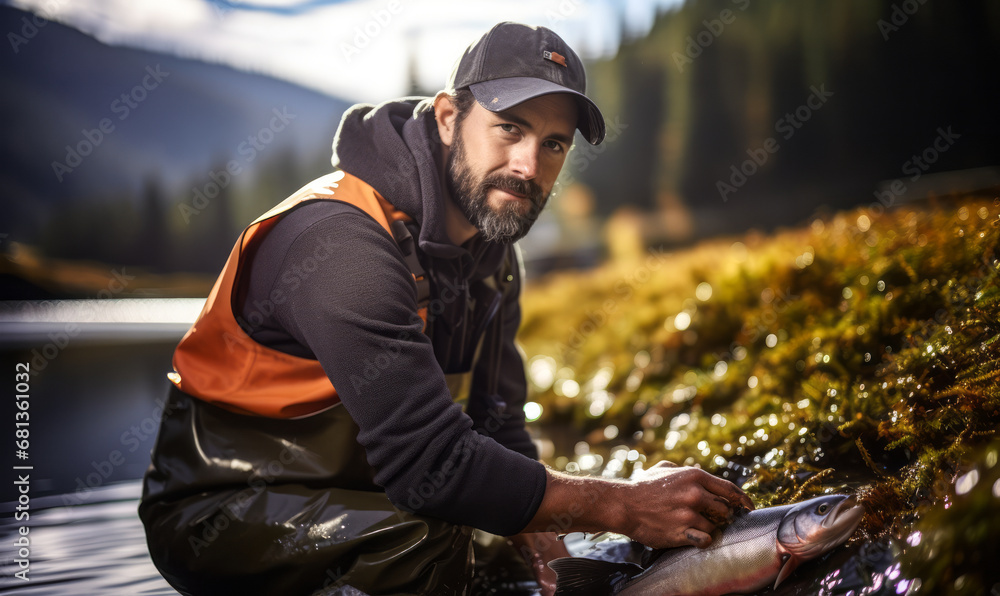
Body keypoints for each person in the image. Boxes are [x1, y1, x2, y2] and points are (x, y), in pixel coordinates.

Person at [139, 21, 753, 596]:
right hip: (219, 508)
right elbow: (428, 466)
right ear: (448, 116)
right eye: (509, 128)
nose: (528, 166)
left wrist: (536, 524)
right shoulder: (338, 241)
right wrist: (621, 503)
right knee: (425, 545)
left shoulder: (493, 258)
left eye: (554, 144)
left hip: (363, 491)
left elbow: (499, 419)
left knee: (515, 545)